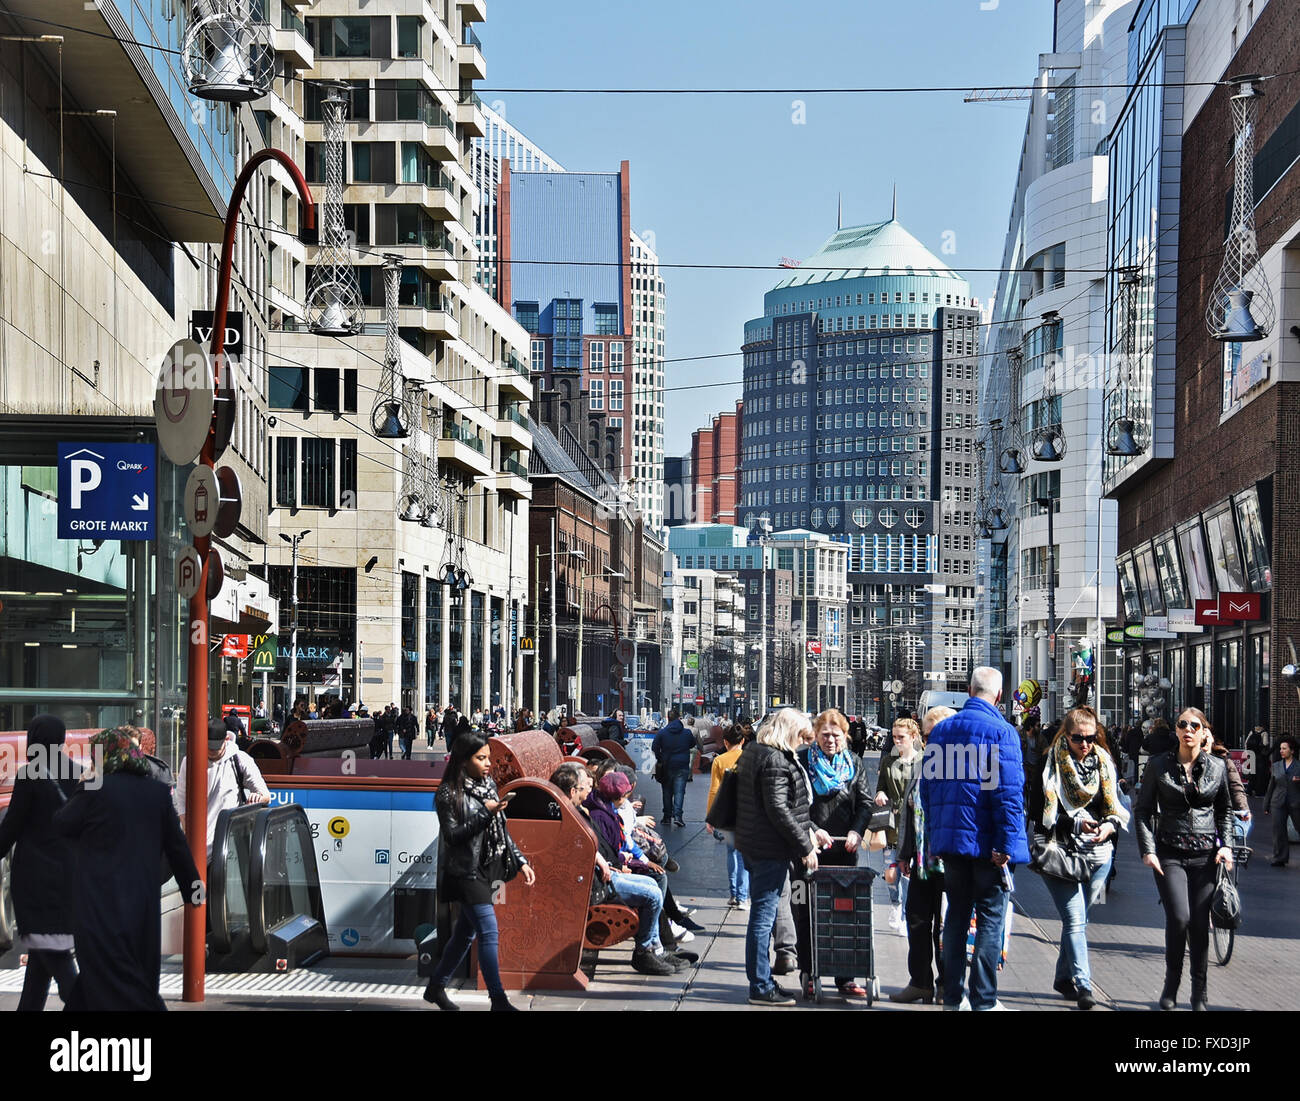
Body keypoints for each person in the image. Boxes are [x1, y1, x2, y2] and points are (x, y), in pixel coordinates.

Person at [53, 727, 202, 1011]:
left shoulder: (94, 790)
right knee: (134, 974)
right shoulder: (157, 793)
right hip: (142, 907)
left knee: (107, 977)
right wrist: (192, 889)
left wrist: (84, 784)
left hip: (98, 906)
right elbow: (178, 848)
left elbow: (61, 824)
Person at [921, 667, 1029, 1012]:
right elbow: (1008, 794)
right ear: (999, 696)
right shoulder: (1001, 733)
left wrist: (940, 832)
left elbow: (927, 789)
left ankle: (952, 998)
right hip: (987, 847)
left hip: (952, 844)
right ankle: (984, 999)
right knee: (989, 920)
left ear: (969, 690)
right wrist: (1006, 845)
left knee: (954, 918)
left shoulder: (941, 733)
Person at [424, 732, 535, 1011]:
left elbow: (502, 830)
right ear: (463, 760)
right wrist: (485, 812)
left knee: (465, 934)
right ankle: (498, 999)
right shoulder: (449, 793)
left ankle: (436, 987)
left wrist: (520, 861)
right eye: (480, 758)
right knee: (488, 931)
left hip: (485, 868)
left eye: (488, 757)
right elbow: (452, 836)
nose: (488, 763)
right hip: (464, 872)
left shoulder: (487, 785)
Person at [1135, 707, 1233, 1011]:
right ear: (1176, 731)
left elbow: (1225, 810)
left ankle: (1198, 993)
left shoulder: (1217, 767)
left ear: (1204, 732)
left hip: (1206, 857)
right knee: (1179, 918)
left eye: (1195, 725)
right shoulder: (1158, 765)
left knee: (1200, 925)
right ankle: (1171, 984)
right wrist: (1147, 850)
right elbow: (1143, 811)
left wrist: (1226, 845)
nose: (1188, 729)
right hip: (1169, 853)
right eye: (1182, 724)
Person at [548, 763, 688, 975]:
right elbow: (584, 845)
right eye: (584, 786)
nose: (588, 790)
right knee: (651, 892)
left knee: (653, 883)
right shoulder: (575, 814)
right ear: (572, 791)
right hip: (594, 883)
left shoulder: (577, 811)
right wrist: (609, 863)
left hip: (602, 873)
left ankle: (654, 948)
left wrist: (609, 861)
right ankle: (645, 951)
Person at [734, 708, 833, 1006]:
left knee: (763, 916)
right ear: (789, 731)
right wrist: (805, 844)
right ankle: (761, 986)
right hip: (769, 849)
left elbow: (785, 807)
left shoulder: (757, 753)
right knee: (763, 918)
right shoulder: (776, 760)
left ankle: (762, 980)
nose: (803, 743)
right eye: (801, 736)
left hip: (757, 844)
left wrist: (811, 829)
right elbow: (779, 809)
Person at [1037, 708, 1129, 1011]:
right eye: (1078, 738)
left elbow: (1115, 806)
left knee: (1081, 920)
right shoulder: (1049, 764)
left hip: (1100, 856)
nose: (1085, 744)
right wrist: (1074, 823)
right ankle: (1083, 985)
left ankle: (1062, 978)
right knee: (1075, 920)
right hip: (1060, 853)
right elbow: (1039, 815)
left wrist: (1109, 824)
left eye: (1090, 738)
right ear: (1067, 734)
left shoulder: (1105, 762)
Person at [0, 715, 83, 1010]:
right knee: (40, 964)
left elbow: (10, 829)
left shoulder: (28, 775)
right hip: (69, 879)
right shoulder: (80, 774)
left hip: (36, 884)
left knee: (57, 961)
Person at [793, 709, 875, 999]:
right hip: (806, 850)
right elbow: (795, 803)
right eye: (824, 734)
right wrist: (812, 828)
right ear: (815, 734)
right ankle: (809, 971)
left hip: (843, 851)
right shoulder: (801, 761)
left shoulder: (853, 763)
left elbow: (865, 803)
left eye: (836, 735)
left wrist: (857, 830)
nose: (830, 740)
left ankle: (845, 976)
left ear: (845, 736)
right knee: (804, 911)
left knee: (845, 912)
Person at [892, 706, 955, 1004]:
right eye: (926, 735)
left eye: (932, 734)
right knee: (916, 918)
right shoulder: (922, 762)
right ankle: (920, 982)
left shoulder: (960, 764)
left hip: (948, 861)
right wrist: (903, 853)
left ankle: (945, 984)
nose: (928, 741)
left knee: (943, 926)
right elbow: (909, 810)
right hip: (921, 859)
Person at [175, 721, 271, 864]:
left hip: (228, 845)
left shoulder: (240, 759)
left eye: (216, 748)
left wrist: (258, 797)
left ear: (226, 740)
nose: (212, 752)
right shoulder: (189, 761)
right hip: (197, 849)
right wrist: (189, 835)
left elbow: (265, 795)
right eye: (209, 747)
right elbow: (181, 801)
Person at [876, 717, 922, 931]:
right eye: (894, 737)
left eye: (901, 737)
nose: (897, 741)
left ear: (913, 737)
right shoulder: (887, 762)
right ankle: (896, 903)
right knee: (890, 873)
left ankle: (906, 913)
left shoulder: (923, 761)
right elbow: (881, 787)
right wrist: (880, 795)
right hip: (893, 826)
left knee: (908, 874)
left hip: (915, 827)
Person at [707, 723, 749, 909]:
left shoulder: (719, 761)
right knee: (743, 856)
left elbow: (714, 791)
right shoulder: (750, 759)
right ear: (743, 740)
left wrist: (711, 817)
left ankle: (733, 894)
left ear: (725, 742)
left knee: (731, 853)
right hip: (747, 812)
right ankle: (742, 897)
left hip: (727, 813)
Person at [652, 708, 694, 828]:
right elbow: (692, 743)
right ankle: (678, 817)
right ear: (679, 718)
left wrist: (660, 758)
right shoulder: (687, 733)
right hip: (682, 765)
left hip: (667, 765)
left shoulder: (662, 733)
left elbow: (654, 747)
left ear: (668, 718)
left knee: (667, 791)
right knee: (679, 791)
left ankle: (666, 817)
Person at [1263, 734, 1300, 866]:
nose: (1281, 751)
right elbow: (1271, 787)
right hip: (1277, 802)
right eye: (1280, 748)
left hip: (1296, 802)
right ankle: (1280, 857)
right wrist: (1266, 805)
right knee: (1279, 830)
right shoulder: (1276, 766)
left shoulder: (1298, 766)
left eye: (1284, 748)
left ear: (1292, 751)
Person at [1245, 725, 1270, 796]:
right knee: (1260, 774)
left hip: (1251, 755)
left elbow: (1246, 742)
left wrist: (1248, 753)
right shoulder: (1264, 733)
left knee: (1252, 773)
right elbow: (1265, 743)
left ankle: (1249, 790)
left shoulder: (1251, 732)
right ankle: (1259, 792)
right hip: (1260, 756)